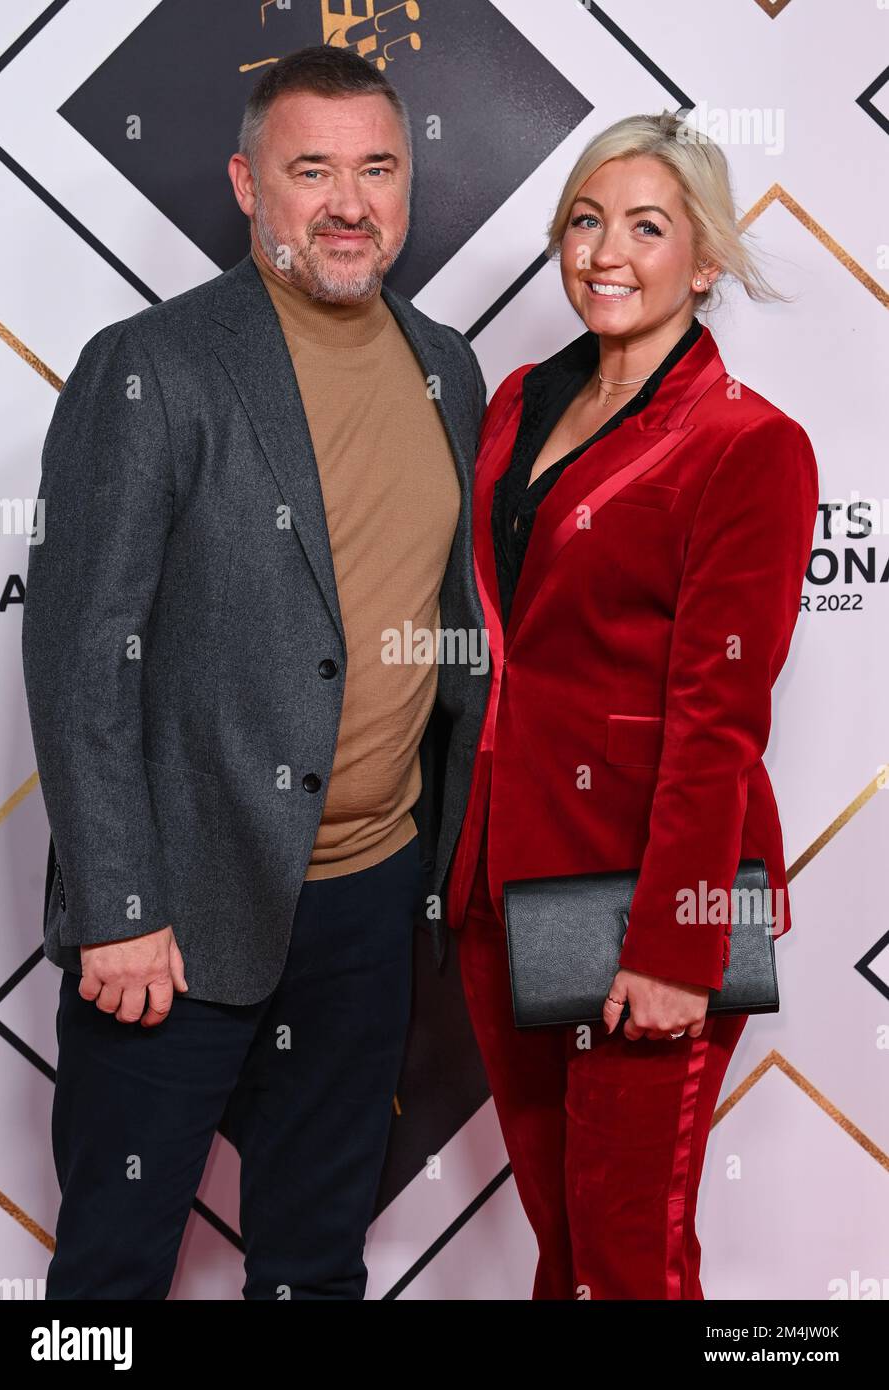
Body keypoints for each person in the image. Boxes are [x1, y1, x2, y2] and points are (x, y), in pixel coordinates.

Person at [22, 45, 488, 1300]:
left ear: (406, 183)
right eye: (312, 169)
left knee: (316, 1255)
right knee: (111, 1271)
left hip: (369, 901)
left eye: (377, 168)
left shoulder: (447, 365)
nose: (349, 202)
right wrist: (119, 907)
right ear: (244, 182)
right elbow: (77, 657)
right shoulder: (154, 364)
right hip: (178, 912)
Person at [443, 111, 819, 1300]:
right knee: (567, 1245)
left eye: (646, 228)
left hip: (651, 902)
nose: (604, 251)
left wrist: (674, 951)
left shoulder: (747, 445)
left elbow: (719, 717)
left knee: (627, 1255)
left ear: (703, 262)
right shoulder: (514, 403)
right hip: (504, 876)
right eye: (584, 222)